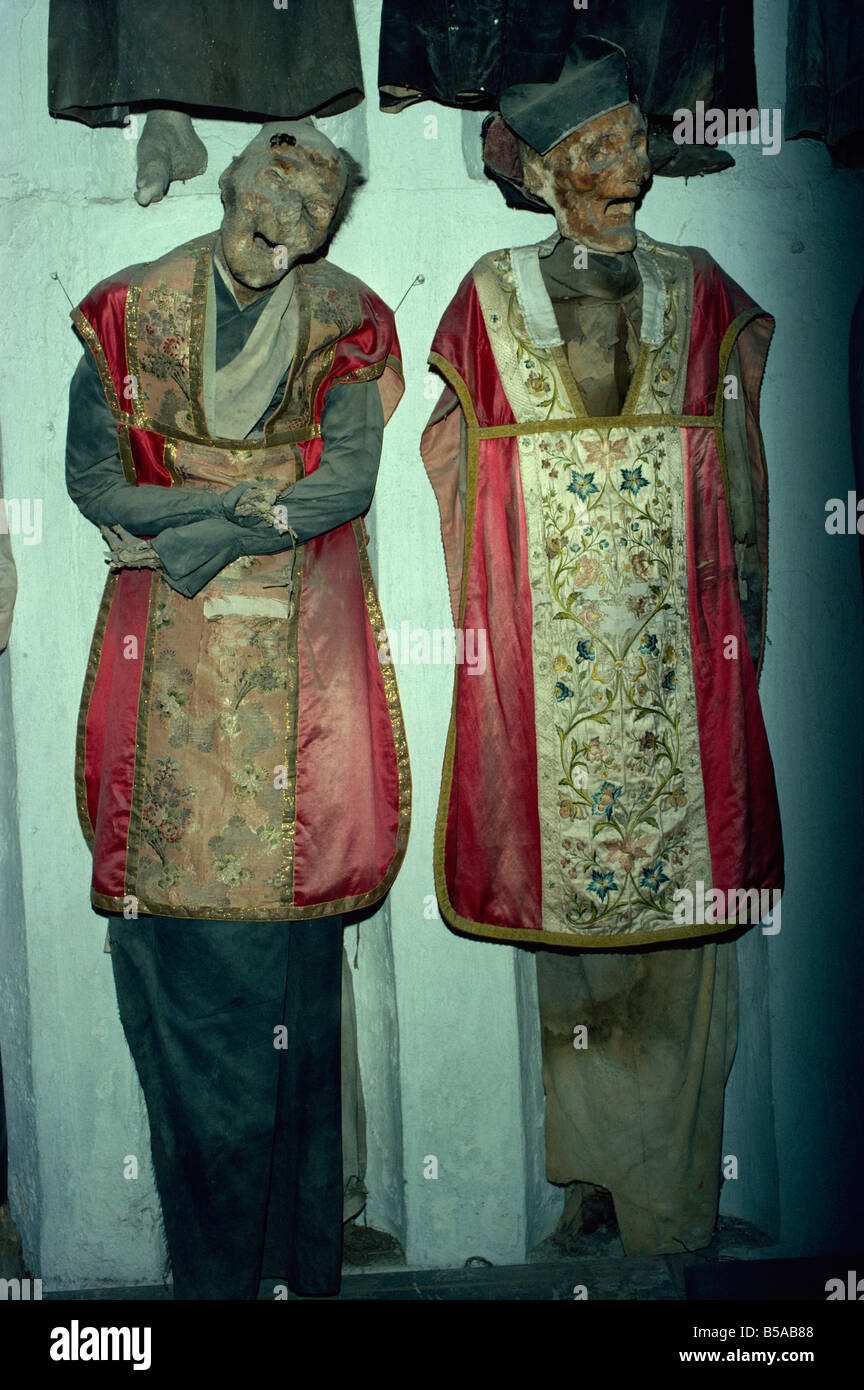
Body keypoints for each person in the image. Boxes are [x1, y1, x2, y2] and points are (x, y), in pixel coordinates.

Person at [421, 37, 783, 1255]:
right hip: (550, 667)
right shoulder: (490, 295)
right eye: (597, 144)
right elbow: (448, 453)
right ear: (542, 171)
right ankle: (586, 1177)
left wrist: (743, 617)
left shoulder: (701, 287)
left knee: (688, 934)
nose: (626, 160)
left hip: (683, 659)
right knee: (561, 936)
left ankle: (674, 1192)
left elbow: (740, 464)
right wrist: (492, 627)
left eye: (633, 136)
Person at [65, 120, 411, 1298]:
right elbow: (95, 476)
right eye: (272, 207)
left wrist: (218, 520)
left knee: (302, 1016)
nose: (287, 234)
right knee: (186, 986)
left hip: (301, 684)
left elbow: (349, 480)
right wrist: (196, 524)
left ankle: (296, 1277)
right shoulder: (130, 308)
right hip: (164, 670)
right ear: (230, 190)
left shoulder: (347, 316)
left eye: (314, 220)